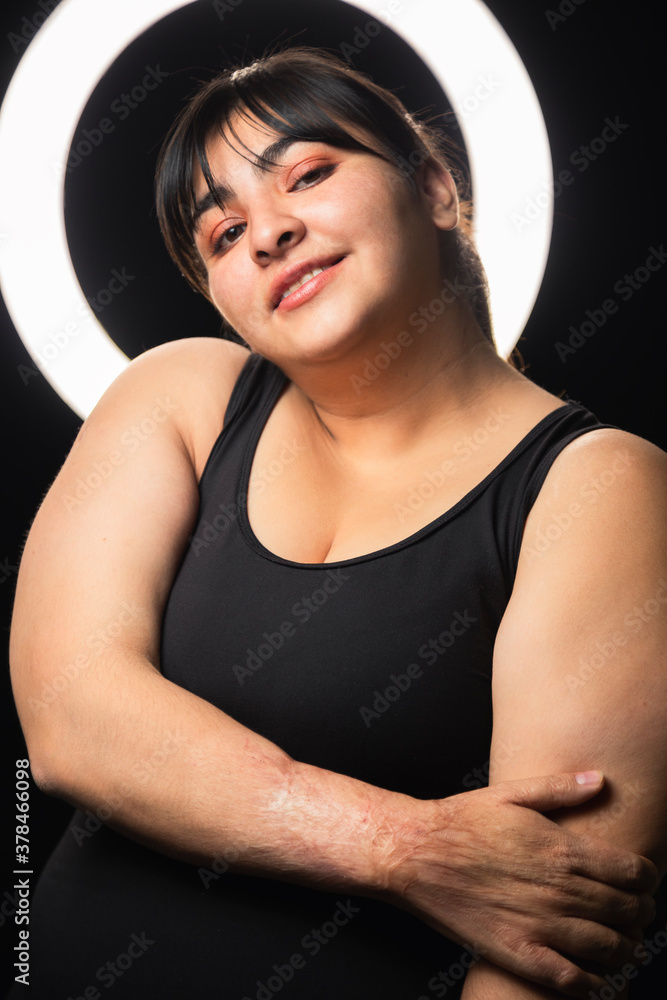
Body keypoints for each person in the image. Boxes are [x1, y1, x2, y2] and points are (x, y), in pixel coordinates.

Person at [9, 47, 667, 1000]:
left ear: (437, 187)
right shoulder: (182, 398)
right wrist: (405, 846)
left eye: (309, 175)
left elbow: (552, 932)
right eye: (224, 234)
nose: (268, 234)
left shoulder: (600, 488)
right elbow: (71, 721)